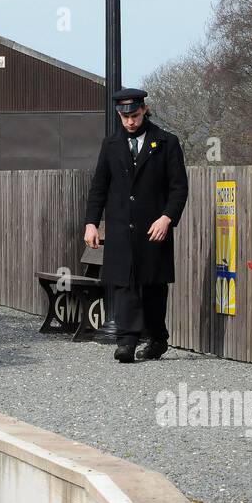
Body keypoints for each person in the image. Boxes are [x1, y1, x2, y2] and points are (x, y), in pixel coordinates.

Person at [83, 88, 189, 363]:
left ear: (144, 110)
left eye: (135, 115)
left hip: (154, 228)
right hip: (120, 229)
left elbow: (179, 188)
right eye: (124, 116)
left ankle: (157, 339)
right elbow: (99, 188)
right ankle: (126, 342)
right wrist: (91, 223)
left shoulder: (166, 143)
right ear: (119, 115)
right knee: (124, 285)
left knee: (153, 287)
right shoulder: (111, 145)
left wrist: (167, 218)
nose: (130, 121)